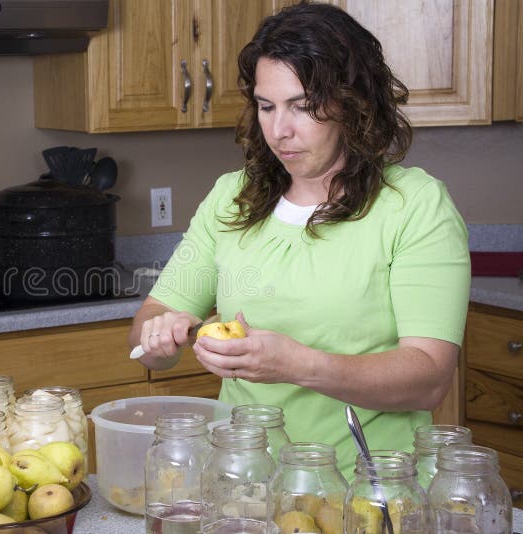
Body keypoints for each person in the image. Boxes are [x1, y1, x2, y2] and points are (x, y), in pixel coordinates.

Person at [128, 2, 471, 479]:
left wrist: (297, 364)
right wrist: (159, 338)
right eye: (266, 107)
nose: (279, 130)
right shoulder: (233, 197)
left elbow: (429, 377)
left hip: (370, 489)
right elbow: (150, 323)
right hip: (245, 487)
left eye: (303, 106)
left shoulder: (415, 206)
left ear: (353, 104)